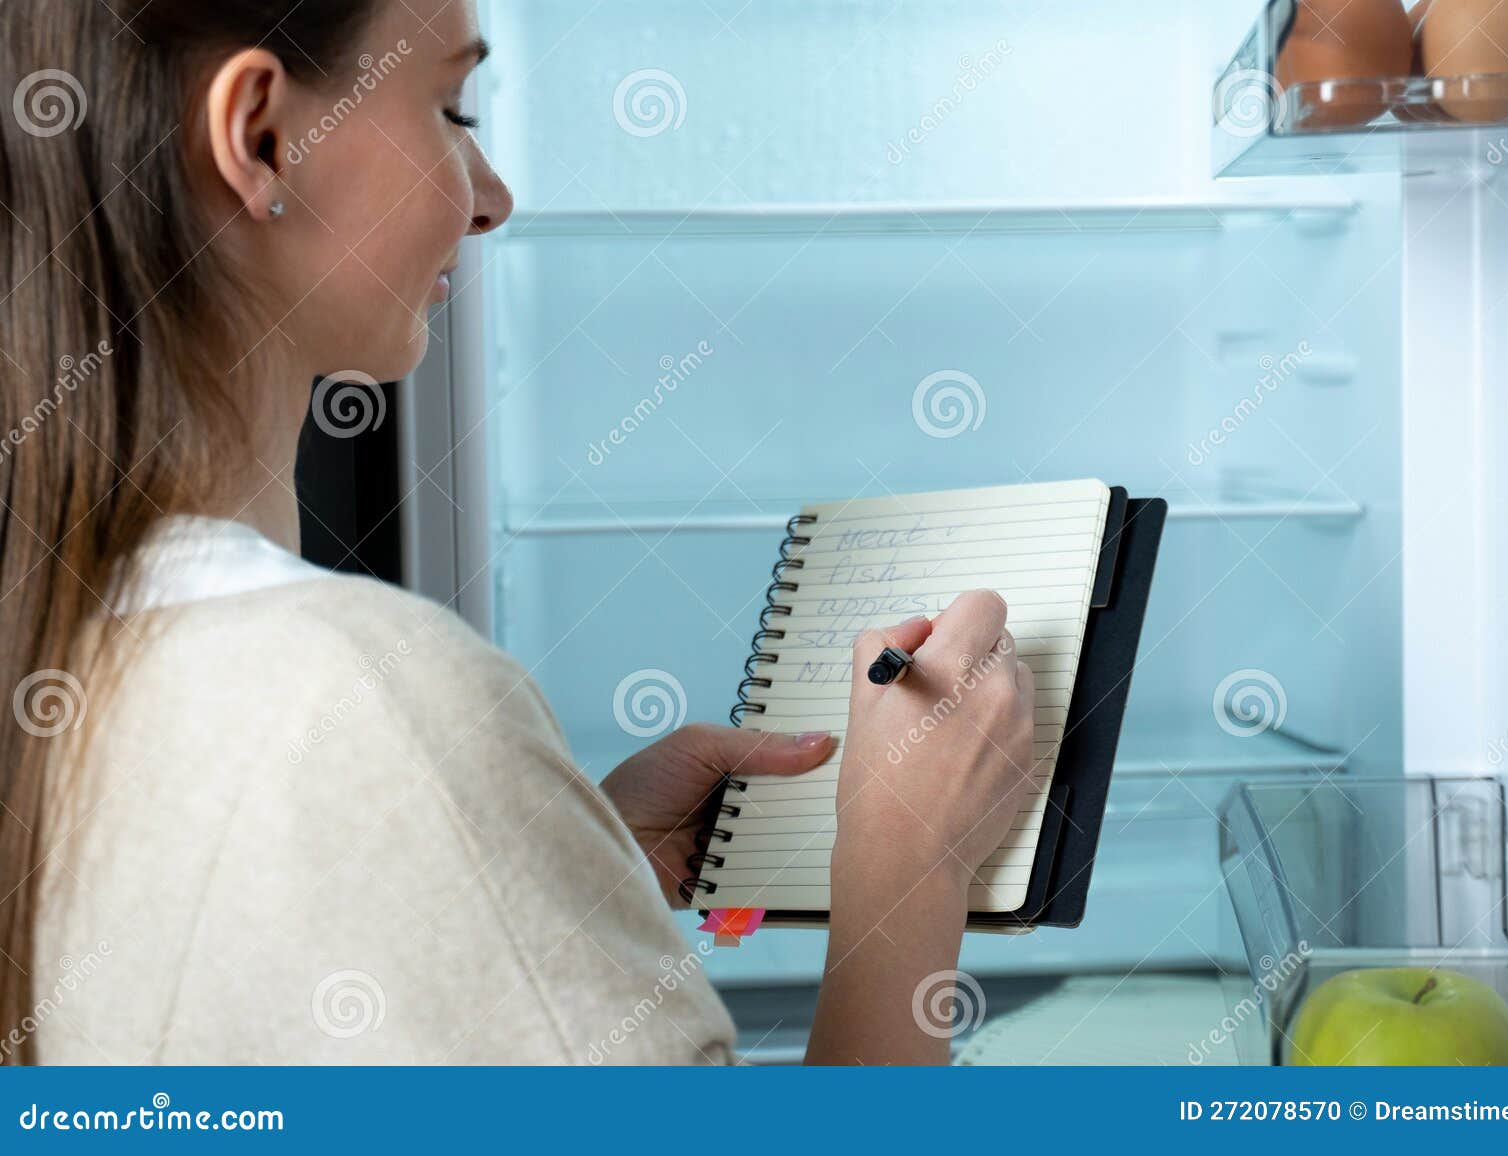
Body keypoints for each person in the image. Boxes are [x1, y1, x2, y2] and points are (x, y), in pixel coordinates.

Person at [0, 0, 1037, 1065]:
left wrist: (555, 861)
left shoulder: (67, 639)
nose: (491, 200)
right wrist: (909, 868)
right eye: (450, 108)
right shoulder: (366, 697)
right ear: (263, 138)